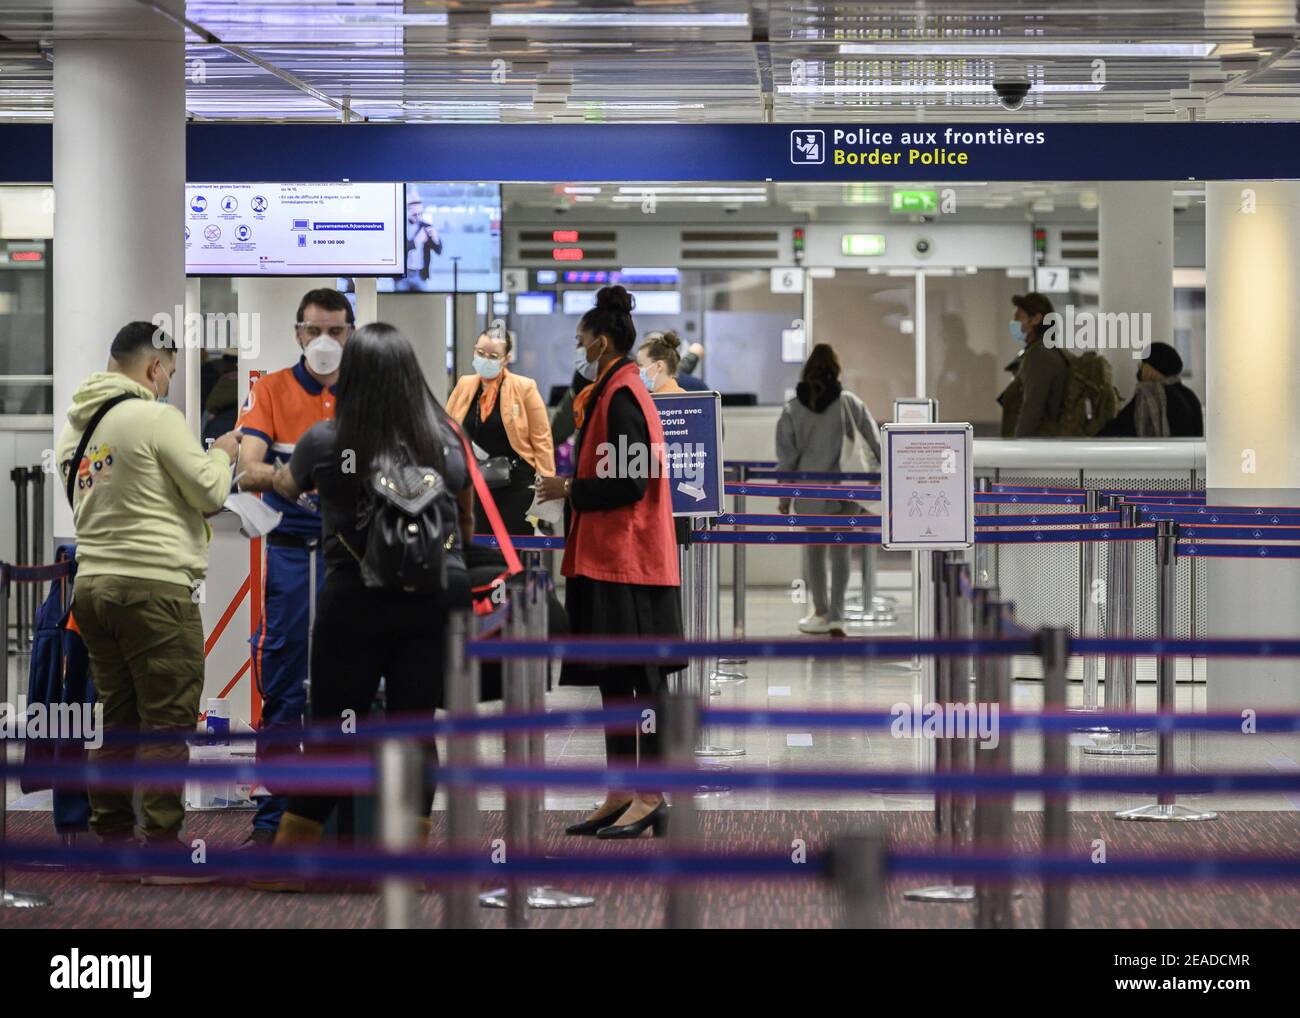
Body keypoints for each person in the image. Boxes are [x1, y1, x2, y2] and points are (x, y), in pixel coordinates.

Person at [251, 323, 473, 887]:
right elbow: (465, 525)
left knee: (332, 729)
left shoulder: (327, 440)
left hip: (354, 600)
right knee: (415, 729)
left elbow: (284, 484)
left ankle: (290, 862)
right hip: (429, 598)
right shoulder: (447, 441)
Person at [56, 321, 238, 881]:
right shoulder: (157, 418)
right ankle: (161, 847)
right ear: (155, 366)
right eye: (171, 372)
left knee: (117, 719)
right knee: (166, 720)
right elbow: (208, 490)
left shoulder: (75, 427)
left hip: (92, 588)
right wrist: (226, 452)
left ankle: (112, 842)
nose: (169, 383)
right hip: (155, 589)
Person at [535, 285, 683, 839]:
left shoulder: (624, 396)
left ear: (600, 341)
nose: (578, 350)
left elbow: (629, 481)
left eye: (581, 342)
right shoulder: (608, 391)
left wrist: (567, 487)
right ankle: (622, 789)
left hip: (630, 566)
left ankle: (652, 794)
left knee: (641, 684)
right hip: (605, 561)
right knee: (615, 684)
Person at [229, 287, 353, 847]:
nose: (324, 341)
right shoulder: (273, 390)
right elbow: (247, 466)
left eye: (336, 330)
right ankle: (274, 817)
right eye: (313, 330)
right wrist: (293, 477)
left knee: (345, 682)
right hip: (290, 554)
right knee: (283, 682)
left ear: (351, 333)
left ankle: (340, 815)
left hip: (350, 557)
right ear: (297, 332)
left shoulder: (365, 392)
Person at [775, 343, 880, 638]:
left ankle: (819, 611)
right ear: (836, 371)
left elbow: (787, 459)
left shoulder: (792, 409)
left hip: (809, 493)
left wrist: (784, 498)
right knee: (841, 551)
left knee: (814, 552)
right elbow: (875, 444)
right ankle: (837, 616)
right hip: (846, 491)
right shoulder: (850, 403)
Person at [445, 325, 555, 534]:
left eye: (493, 356)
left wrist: (546, 497)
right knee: (475, 547)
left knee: (512, 552)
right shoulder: (465, 385)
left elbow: (542, 441)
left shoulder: (524, 387)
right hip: (474, 486)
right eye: (480, 353)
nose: (485, 359)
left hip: (515, 487)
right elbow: (447, 431)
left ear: (506, 359)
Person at [1099, 341, 1204, 437]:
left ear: (1153, 369)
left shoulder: (1150, 395)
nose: (1139, 367)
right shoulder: (1189, 395)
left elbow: (1118, 428)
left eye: (1143, 363)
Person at [998, 292, 1067, 438]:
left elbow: (1032, 410)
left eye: (1017, 318)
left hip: (1037, 448)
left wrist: (1018, 450)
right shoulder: (1040, 352)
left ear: (1035, 319)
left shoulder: (1039, 356)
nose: (1013, 323)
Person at [636, 330, 686, 395]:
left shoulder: (665, 401)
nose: (637, 369)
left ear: (659, 366)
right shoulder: (681, 396)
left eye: (641, 365)